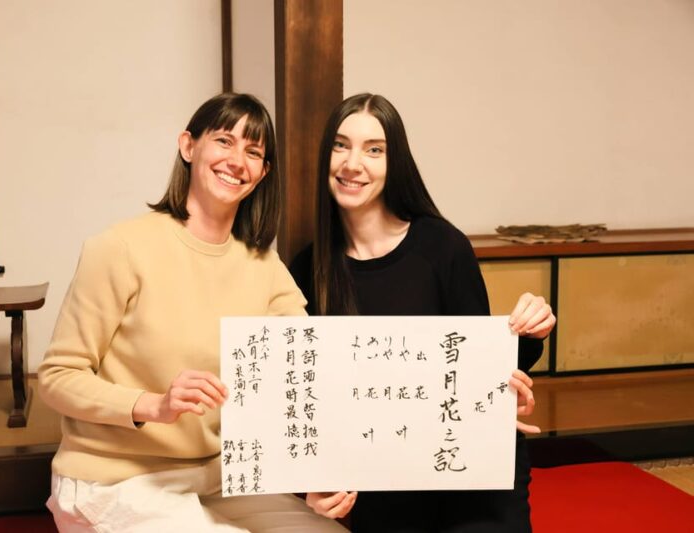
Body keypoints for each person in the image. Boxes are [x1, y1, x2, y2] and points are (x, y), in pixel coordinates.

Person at [38, 93, 348, 533]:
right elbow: (57, 376)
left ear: (263, 174)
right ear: (189, 146)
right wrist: (153, 405)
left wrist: (318, 471)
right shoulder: (119, 248)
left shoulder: (263, 266)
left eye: (253, 151)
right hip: (112, 478)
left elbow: (305, 368)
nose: (237, 160)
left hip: (218, 478)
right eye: (224, 141)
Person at [289, 93, 557, 532]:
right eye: (341, 145)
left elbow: (481, 364)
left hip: (467, 466)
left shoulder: (442, 247)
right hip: (380, 475)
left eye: (374, 149)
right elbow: (309, 397)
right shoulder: (308, 268)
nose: (353, 163)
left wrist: (529, 330)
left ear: (396, 163)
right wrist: (311, 488)